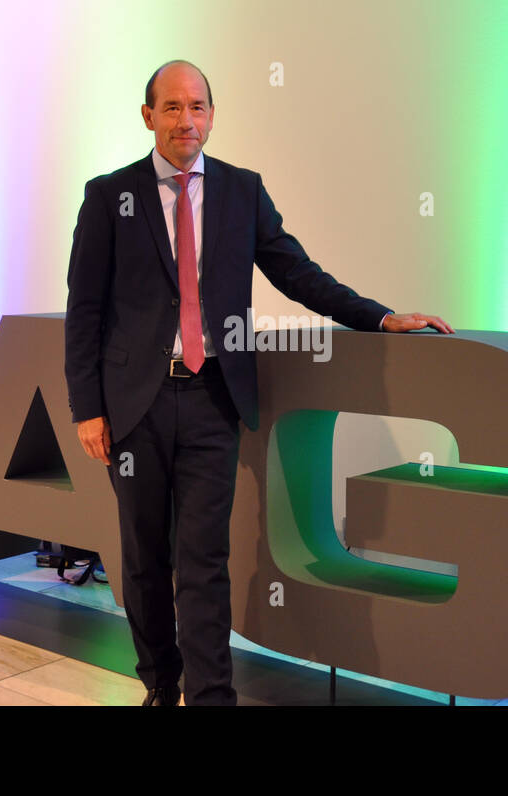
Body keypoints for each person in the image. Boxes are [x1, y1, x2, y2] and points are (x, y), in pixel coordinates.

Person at [65, 59, 452, 706]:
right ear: (148, 117)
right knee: (142, 561)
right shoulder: (110, 196)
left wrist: (379, 316)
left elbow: (297, 273)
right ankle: (161, 684)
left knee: (204, 563)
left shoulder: (242, 191)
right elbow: (85, 309)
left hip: (215, 399)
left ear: (213, 115)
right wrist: (87, 408)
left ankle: (212, 696)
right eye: (172, 107)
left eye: (198, 106)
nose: (186, 119)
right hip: (136, 407)